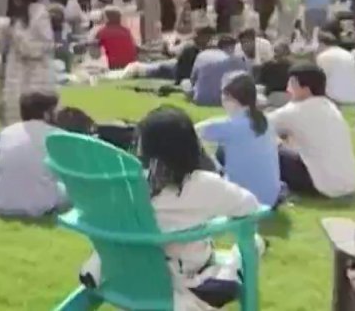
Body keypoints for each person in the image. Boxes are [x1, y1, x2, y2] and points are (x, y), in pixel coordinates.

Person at [81, 106, 262, 308]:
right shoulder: (204, 184)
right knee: (254, 241)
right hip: (185, 276)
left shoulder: (131, 184)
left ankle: (96, 267)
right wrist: (217, 222)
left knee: (119, 237)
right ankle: (228, 275)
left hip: (135, 273)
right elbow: (250, 206)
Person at [268, 65, 355, 198]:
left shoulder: (295, 111)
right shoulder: (330, 106)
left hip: (322, 185)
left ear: (305, 89)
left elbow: (258, 126)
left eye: (292, 84)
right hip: (351, 182)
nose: (287, 90)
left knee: (269, 146)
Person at [197, 73, 282, 207]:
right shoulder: (265, 120)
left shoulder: (230, 126)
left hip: (244, 200)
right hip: (270, 197)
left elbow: (189, 132)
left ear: (228, 97)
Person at [0, 92, 68, 218]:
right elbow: (68, 172)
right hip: (40, 205)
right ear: (46, 114)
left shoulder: (7, 132)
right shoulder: (56, 135)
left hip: (2, 205)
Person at [0, 0, 56, 125]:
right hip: (14, 73)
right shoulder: (12, 15)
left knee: (35, 120)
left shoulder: (39, 13)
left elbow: (46, 45)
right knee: (11, 116)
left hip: (36, 75)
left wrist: (18, 37)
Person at [189, 35, 250, 107]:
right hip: (232, 100)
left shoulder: (203, 55)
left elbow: (192, 79)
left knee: (186, 83)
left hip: (203, 99)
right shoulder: (241, 61)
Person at [315, 32, 355, 105]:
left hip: (336, 102)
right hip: (354, 99)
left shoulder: (323, 56)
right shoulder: (349, 54)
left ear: (321, 44)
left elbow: (318, 82)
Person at [257, 42, 293, 109]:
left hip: (271, 98)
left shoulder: (267, 66)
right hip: (289, 98)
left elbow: (260, 82)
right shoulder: (293, 67)